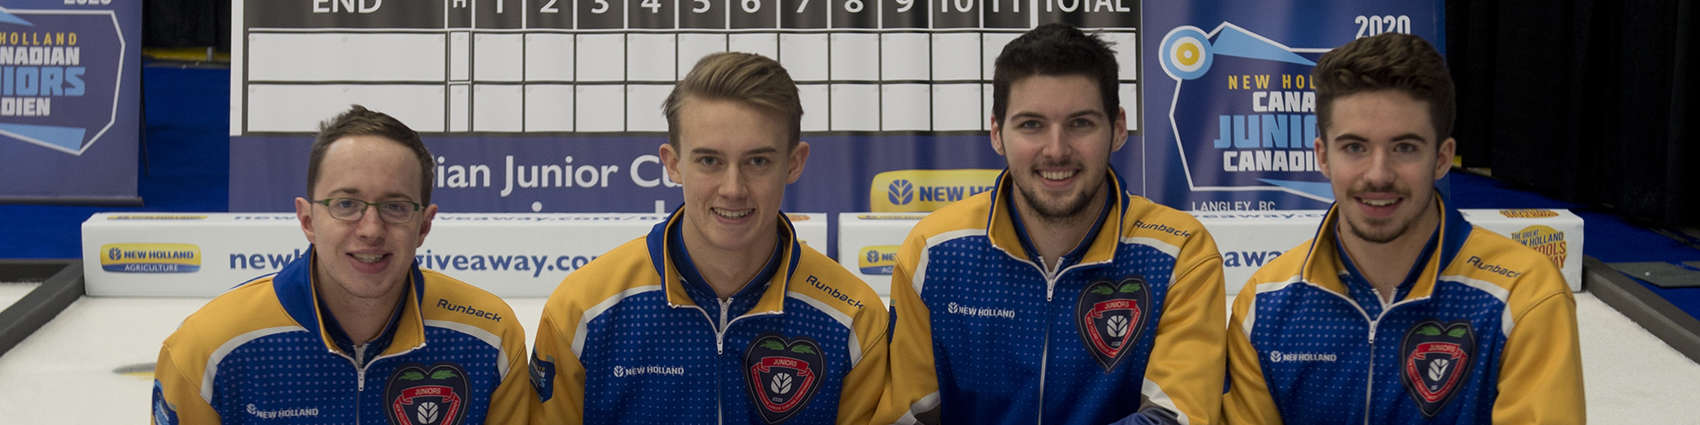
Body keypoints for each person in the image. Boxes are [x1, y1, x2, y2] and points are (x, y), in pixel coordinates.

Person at [1221, 33, 1584, 424]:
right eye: (1355, 147)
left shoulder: (1522, 294)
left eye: (1405, 148)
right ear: (1323, 157)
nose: (1378, 175)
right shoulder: (1267, 303)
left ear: (1442, 158)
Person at [876, 23, 1227, 425]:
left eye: (1080, 123)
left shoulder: (1180, 253)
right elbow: (908, 417)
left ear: (1117, 128)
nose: (1056, 150)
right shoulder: (935, 252)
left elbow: (1175, 419)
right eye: (1031, 125)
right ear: (996, 133)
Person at [527, 52, 889, 424]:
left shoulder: (851, 317)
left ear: (794, 163)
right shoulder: (584, 309)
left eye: (758, 161)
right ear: (673, 163)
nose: (733, 189)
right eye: (709, 161)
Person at [150, 105, 531, 425]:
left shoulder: (488, 337)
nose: (371, 230)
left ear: (424, 225)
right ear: (308, 220)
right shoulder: (209, 349)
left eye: (396, 207)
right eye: (346, 204)